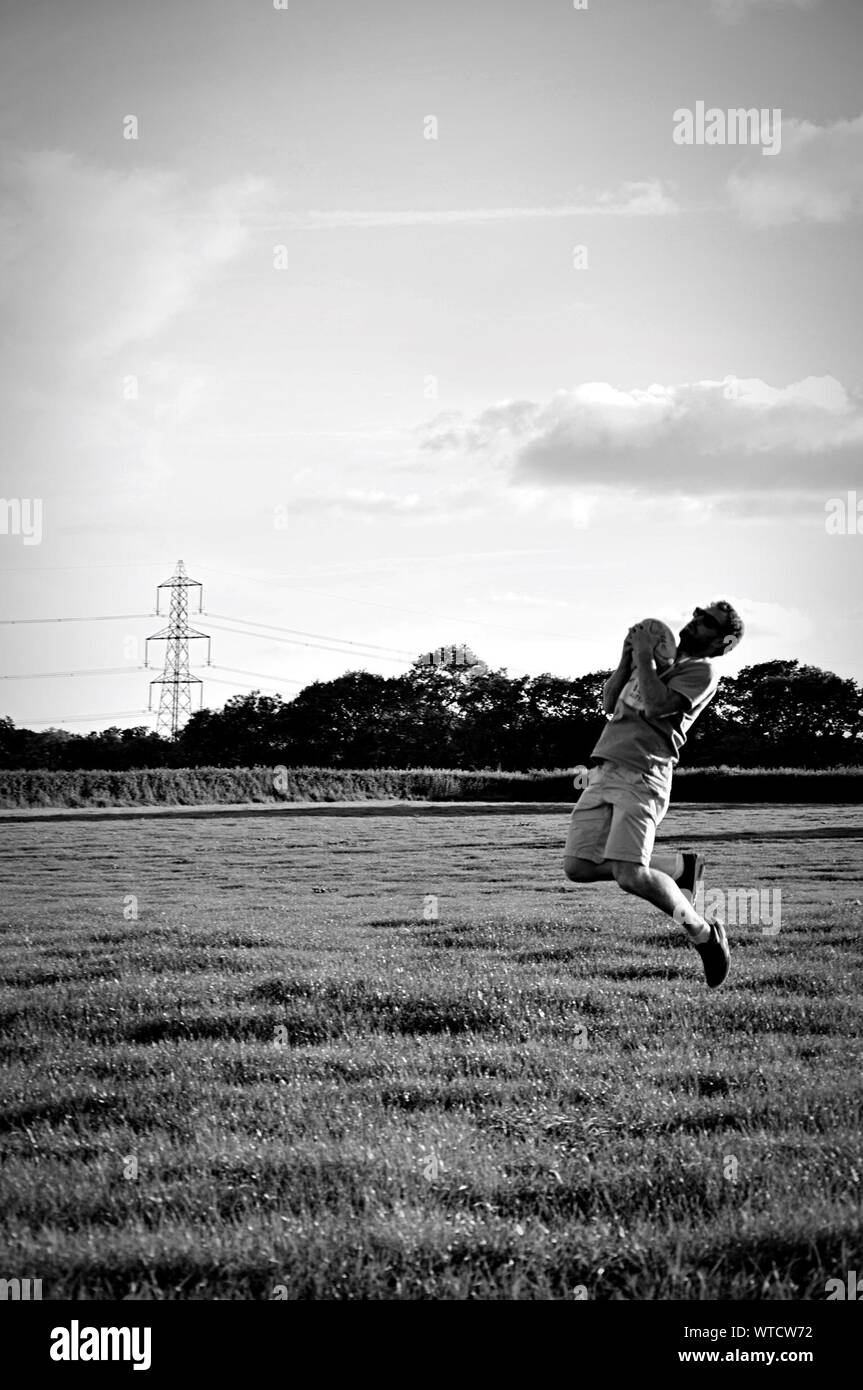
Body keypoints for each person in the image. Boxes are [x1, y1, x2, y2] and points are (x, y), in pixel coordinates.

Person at [563, 601, 744, 988]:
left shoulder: (702, 671)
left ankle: (704, 934)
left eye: (707, 621)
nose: (694, 622)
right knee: (578, 868)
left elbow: (658, 706)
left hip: (643, 774)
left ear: (723, 641)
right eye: (697, 614)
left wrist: (644, 657)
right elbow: (608, 703)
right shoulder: (658, 662)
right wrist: (627, 657)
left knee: (630, 875)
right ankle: (679, 869)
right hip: (604, 768)